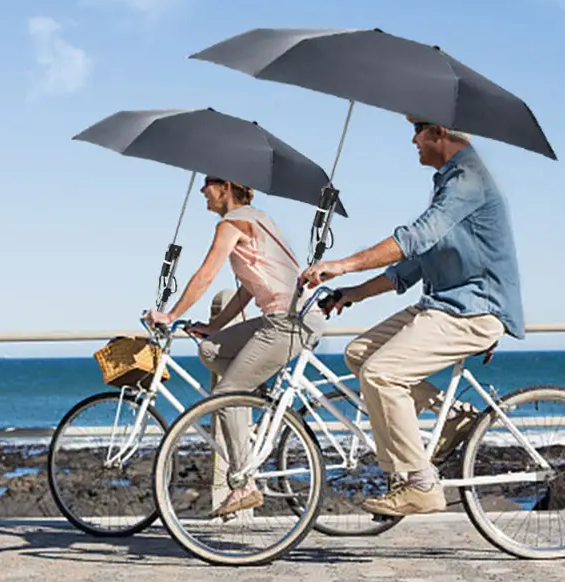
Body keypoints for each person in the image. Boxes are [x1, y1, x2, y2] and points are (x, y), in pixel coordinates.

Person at [301, 119, 524, 517]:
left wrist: (344, 265)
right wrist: (353, 294)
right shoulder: (449, 181)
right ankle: (452, 417)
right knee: (360, 353)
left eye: (419, 129)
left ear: (439, 132)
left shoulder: (468, 180)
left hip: (473, 309)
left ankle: (421, 484)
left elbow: (413, 239)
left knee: (382, 374)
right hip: (445, 304)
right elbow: (415, 264)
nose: (413, 139)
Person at [145, 176, 324, 516]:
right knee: (211, 350)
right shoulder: (259, 220)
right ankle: (246, 402)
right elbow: (246, 289)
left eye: (207, 184)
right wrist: (214, 326)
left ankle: (243, 484)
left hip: (289, 323)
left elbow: (206, 275)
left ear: (225, 188)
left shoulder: (232, 223)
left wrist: (171, 315)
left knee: (225, 394)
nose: (202, 191)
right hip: (285, 317)